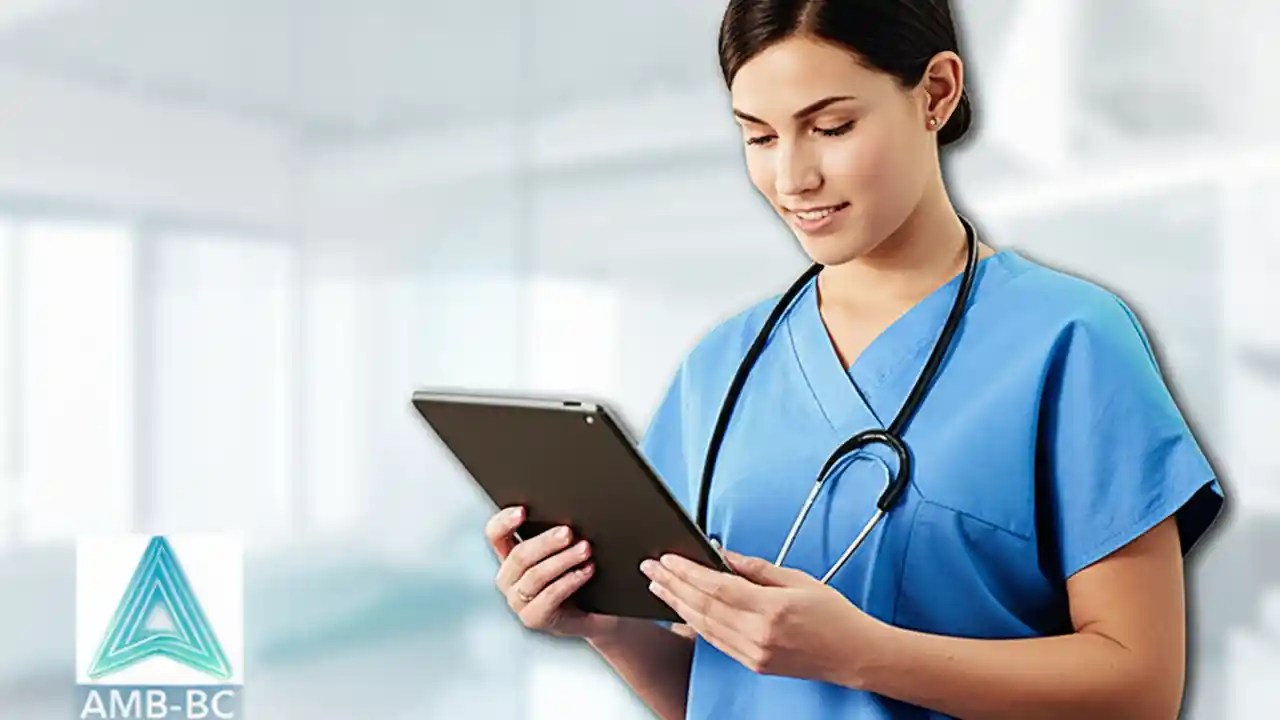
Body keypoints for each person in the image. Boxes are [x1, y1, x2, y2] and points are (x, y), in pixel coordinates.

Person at [484, 1, 1226, 717]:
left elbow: (1138, 688)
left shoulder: (1071, 340)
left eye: (831, 127)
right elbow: (721, 690)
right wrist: (603, 626)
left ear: (936, 92)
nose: (792, 178)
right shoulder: (720, 370)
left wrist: (859, 653)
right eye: (760, 138)